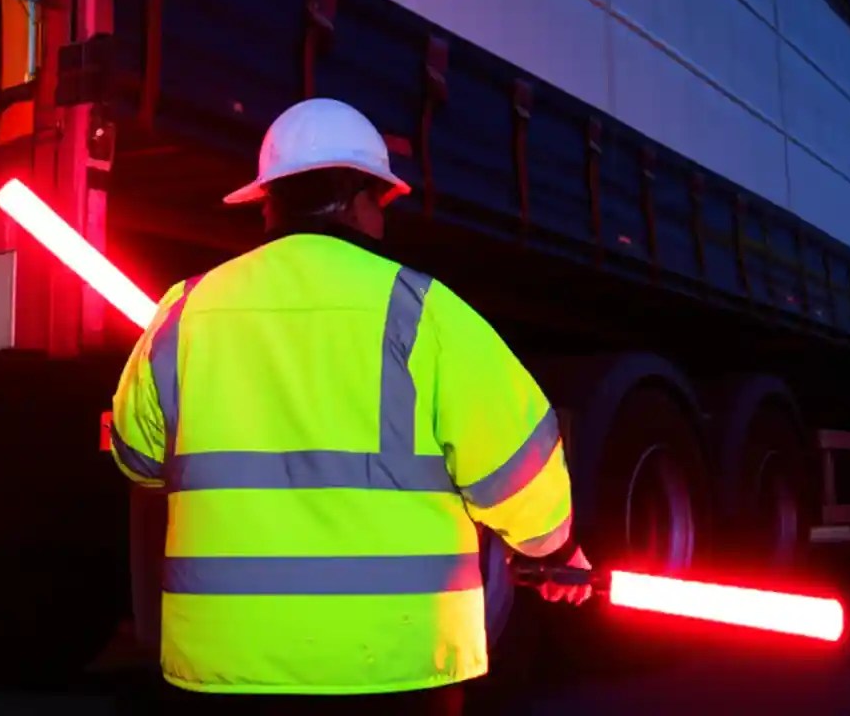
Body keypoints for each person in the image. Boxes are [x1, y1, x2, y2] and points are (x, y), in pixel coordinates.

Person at [109, 98, 593, 715]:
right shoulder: (421, 311)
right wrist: (554, 551)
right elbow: (518, 464)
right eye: (381, 203)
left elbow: (135, 456)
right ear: (362, 201)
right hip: (395, 668)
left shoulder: (185, 311)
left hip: (225, 668)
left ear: (268, 204)